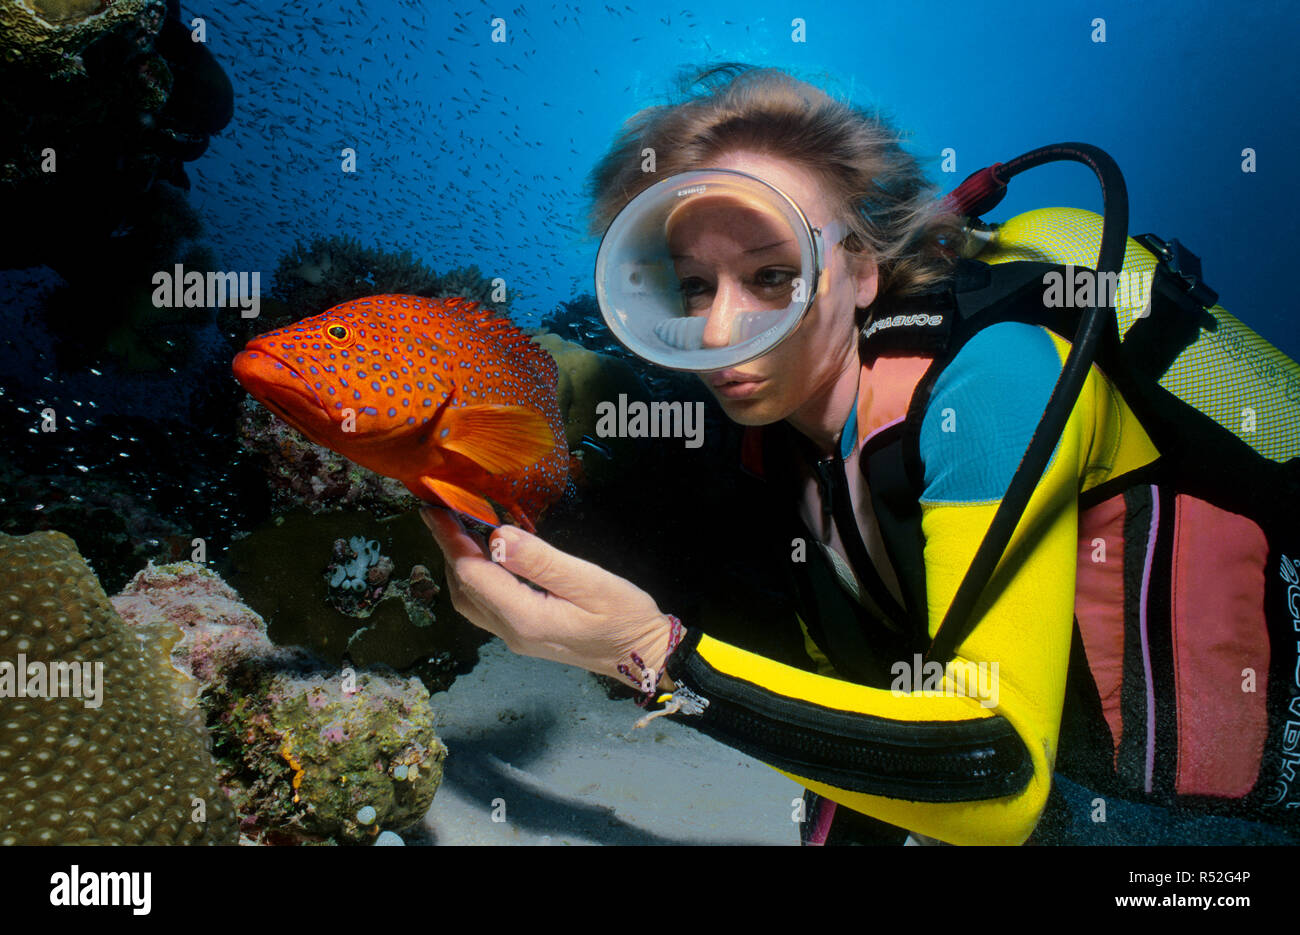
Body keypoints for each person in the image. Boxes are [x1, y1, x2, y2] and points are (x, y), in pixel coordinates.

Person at [423, 64, 1300, 845]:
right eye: (694, 286)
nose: (720, 332)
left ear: (865, 272)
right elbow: (869, 700)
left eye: (773, 275)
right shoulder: (772, 441)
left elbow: (1002, 787)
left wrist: (658, 658)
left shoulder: (994, 377)